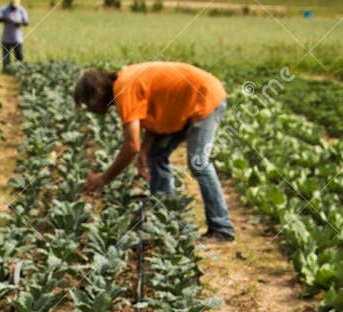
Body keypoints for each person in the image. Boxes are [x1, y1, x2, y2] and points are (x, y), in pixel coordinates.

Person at [72, 61, 235, 242]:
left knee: (199, 163)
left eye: (88, 104)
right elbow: (154, 116)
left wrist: (104, 178)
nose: (91, 110)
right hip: (187, 104)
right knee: (156, 156)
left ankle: (222, 228)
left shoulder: (124, 88)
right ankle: (165, 218)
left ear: (97, 92)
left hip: (204, 98)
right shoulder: (125, 83)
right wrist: (145, 151)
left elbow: (131, 146)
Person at [0, 0, 29, 71]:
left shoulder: (22, 10)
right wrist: (6, 20)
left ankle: (18, 72)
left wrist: (18, 23)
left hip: (17, 39)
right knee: (6, 59)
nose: (14, 8)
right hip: (6, 38)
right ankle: (7, 72)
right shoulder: (4, 9)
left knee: (19, 57)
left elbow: (26, 22)